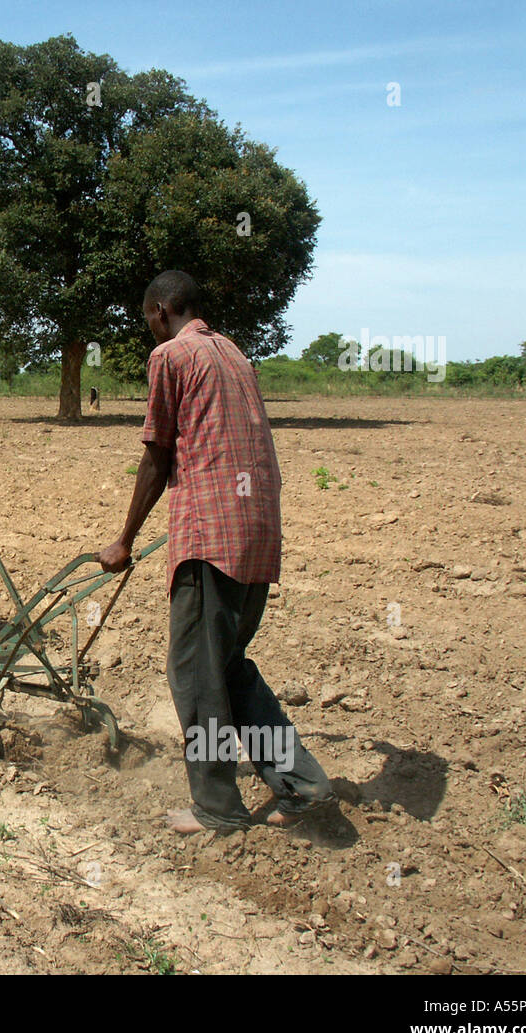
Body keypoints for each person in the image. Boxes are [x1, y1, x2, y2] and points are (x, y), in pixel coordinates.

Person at [97, 270, 333, 835]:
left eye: (147, 318)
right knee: (226, 668)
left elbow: (157, 453)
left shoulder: (172, 357)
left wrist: (124, 539)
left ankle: (217, 807)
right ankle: (301, 783)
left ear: (160, 311)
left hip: (211, 538)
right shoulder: (233, 353)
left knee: (194, 674)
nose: (149, 329)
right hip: (257, 532)